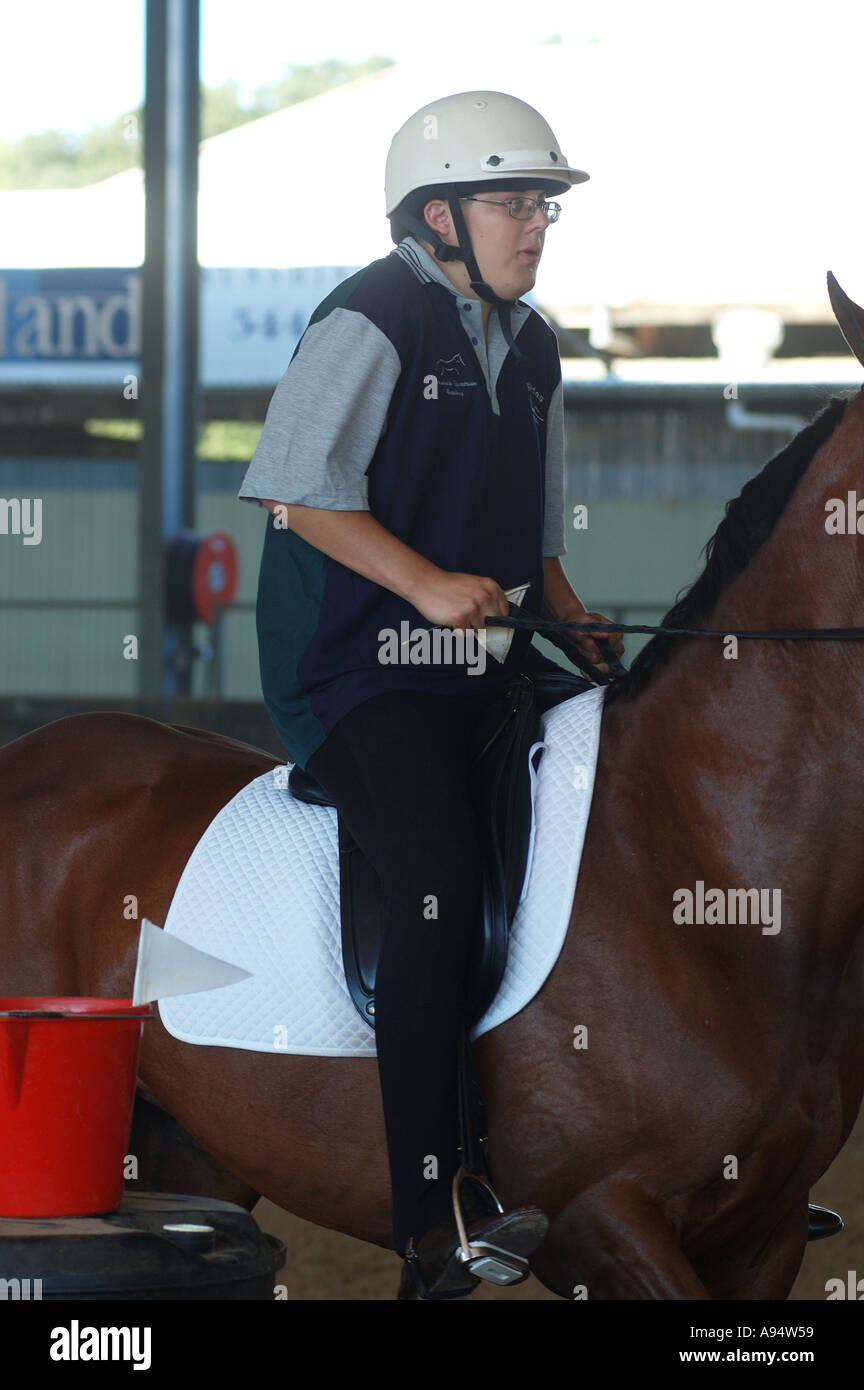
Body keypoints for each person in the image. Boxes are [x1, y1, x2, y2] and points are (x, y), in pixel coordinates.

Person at [237, 89, 625, 1298]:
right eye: (517, 201)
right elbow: (297, 491)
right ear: (440, 212)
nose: (538, 225)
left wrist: (563, 605)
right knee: (442, 884)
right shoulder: (369, 316)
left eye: (545, 204)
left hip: (491, 667)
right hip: (359, 672)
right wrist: (424, 585)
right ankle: (431, 1216)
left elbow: (532, 524)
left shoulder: (540, 342)